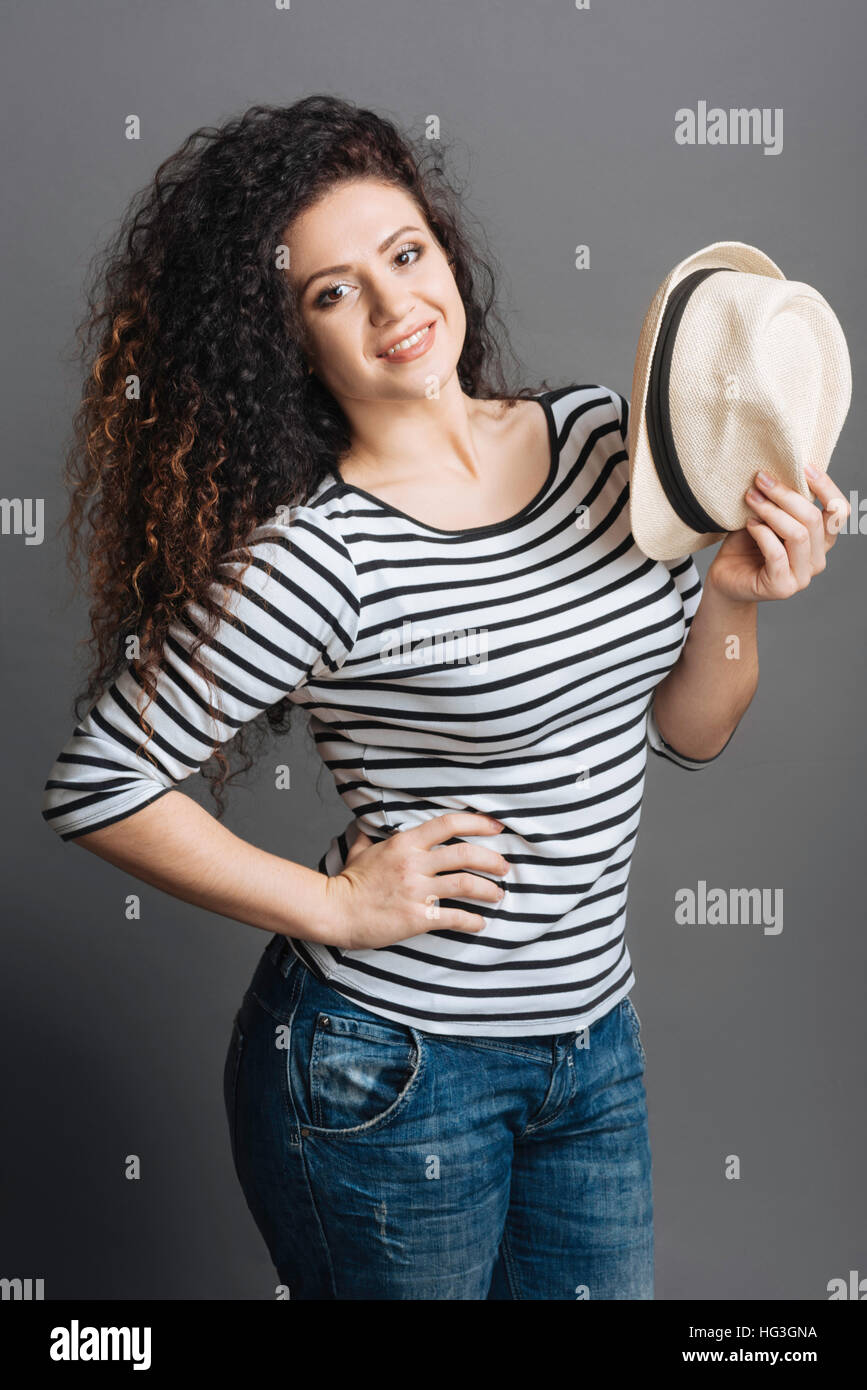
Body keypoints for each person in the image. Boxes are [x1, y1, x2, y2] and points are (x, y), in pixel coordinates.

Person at [41, 95, 846, 1300]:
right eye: (331, 291)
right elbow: (97, 784)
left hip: (593, 1049)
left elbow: (687, 731)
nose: (391, 305)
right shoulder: (321, 558)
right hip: (392, 1072)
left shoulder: (603, 447)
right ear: (290, 336)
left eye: (404, 254)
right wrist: (335, 903)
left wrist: (731, 605)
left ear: (445, 253)